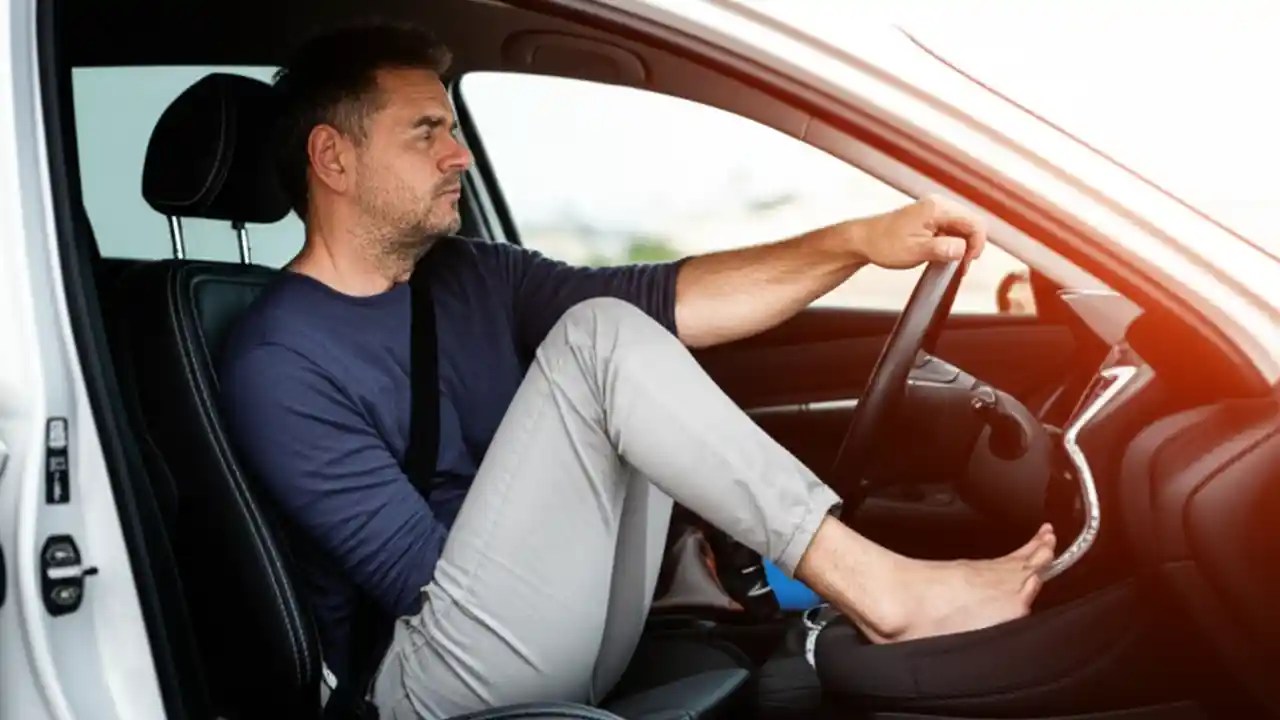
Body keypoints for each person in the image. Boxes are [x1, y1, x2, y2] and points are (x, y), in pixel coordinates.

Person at [218, 21, 1057, 720]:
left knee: (625, 339)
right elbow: (424, 583)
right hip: (432, 679)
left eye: (453, 128)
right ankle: (884, 590)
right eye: (425, 132)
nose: (459, 155)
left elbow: (668, 303)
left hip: (555, 631)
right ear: (333, 159)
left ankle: (856, 584)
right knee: (599, 343)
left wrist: (858, 245)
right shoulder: (277, 360)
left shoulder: (472, 275)